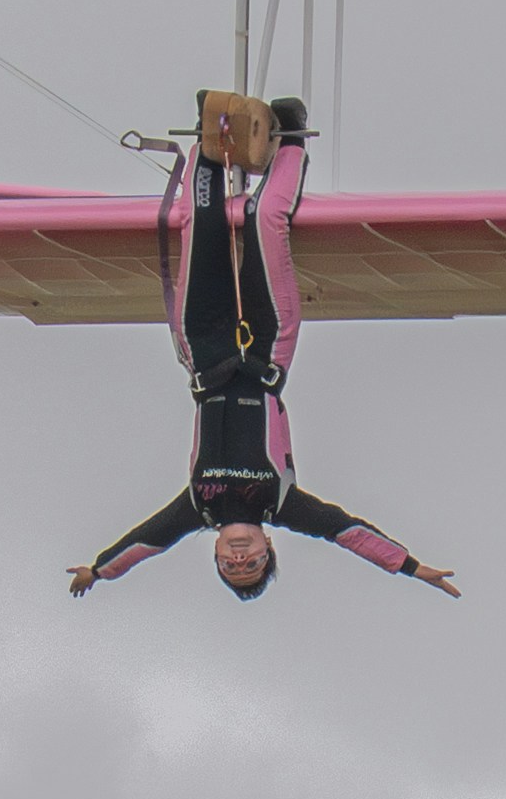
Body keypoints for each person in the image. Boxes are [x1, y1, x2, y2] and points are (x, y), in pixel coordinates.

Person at [68, 94, 460, 603]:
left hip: (204, 349)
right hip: (267, 346)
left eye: (231, 568)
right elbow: (346, 532)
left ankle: (214, 136)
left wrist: (98, 571)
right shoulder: (281, 502)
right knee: (262, 219)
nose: (238, 558)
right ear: (267, 545)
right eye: (252, 564)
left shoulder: (197, 507)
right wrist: (408, 566)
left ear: (214, 555)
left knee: (202, 221)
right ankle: (292, 136)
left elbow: (145, 543)